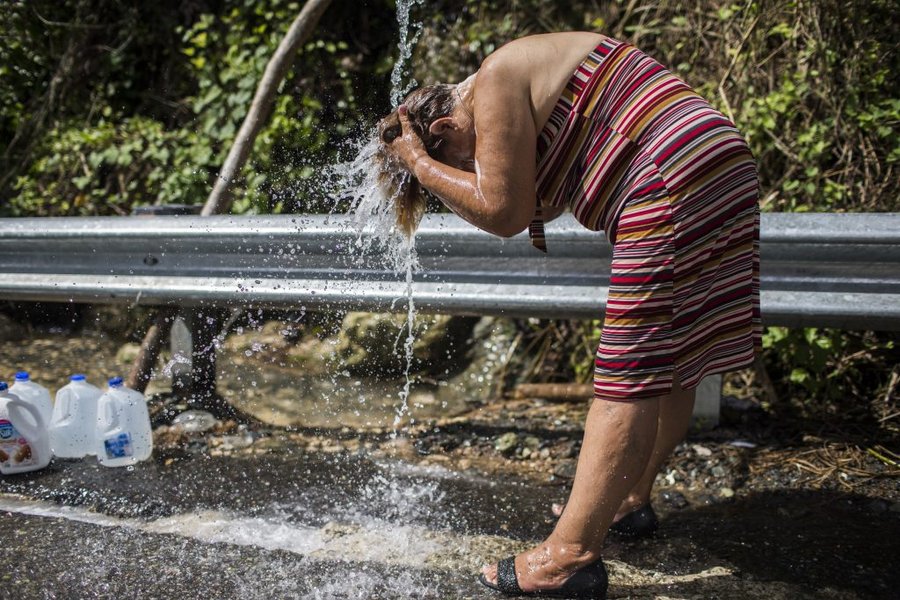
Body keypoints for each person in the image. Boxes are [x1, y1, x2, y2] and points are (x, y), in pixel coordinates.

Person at [379, 31, 760, 598]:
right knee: (674, 354)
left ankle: (569, 556)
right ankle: (629, 499)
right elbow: (539, 198)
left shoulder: (496, 80)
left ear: (444, 130)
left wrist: (414, 161)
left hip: (667, 172)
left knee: (626, 370)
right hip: (713, 156)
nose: (473, 169)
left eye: (462, 162)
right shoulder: (524, 87)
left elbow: (503, 210)